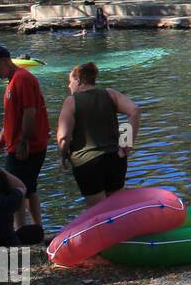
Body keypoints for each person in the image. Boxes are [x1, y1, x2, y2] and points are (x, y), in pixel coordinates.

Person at [0, 46, 49, 240]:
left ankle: (20, 233)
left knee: (15, 190)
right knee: (30, 188)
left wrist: (24, 141)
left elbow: (30, 111)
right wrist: (3, 134)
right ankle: (36, 230)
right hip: (18, 143)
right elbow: (15, 114)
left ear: (3, 61)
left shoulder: (23, 79)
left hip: (26, 146)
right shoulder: (13, 81)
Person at [56, 63, 141, 206]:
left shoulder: (71, 102)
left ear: (78, 80)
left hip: (87, 163)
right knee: (117, 210)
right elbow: (134, 111)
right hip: (115, 158)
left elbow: (64, 137)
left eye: (70, 82)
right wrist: (126, 143)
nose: (69, 86)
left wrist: (63, 156)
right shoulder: (110, 93)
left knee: (99, 214)